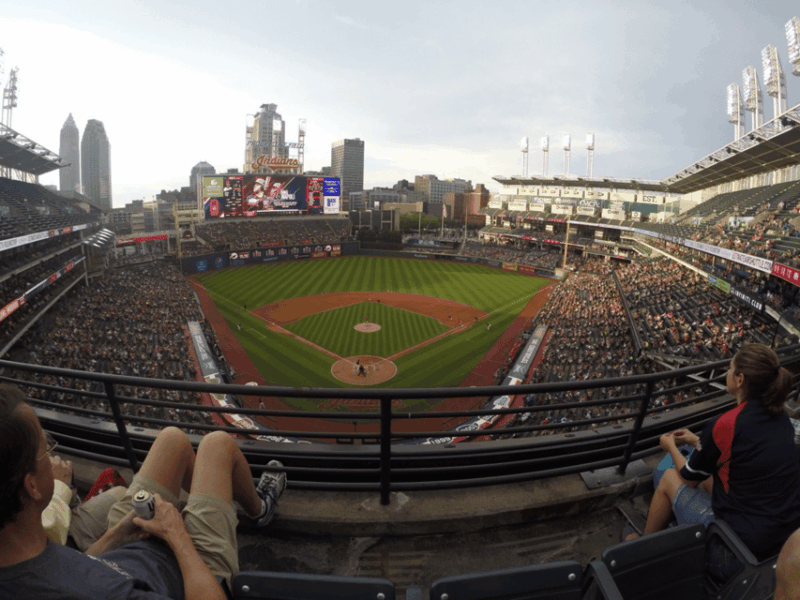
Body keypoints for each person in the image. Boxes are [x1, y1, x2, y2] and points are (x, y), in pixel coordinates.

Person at [0, 384, 287, 600]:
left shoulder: (21, 557)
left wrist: (118, 533)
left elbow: (80, 564)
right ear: (32, 487)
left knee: (172, 439)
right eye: (45, 448)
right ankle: (259, 509)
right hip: (189, 568)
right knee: (217, 444)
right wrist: (177, 534)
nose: (52, 457)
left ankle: (210, 503)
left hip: (125, 547)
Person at [630, 344, 800, 561]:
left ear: (740, 380)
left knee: (669, 477)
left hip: (736, 551)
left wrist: (670, 446)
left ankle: (639, 551)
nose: (726, 373)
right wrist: (696, 440)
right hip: (783, 541)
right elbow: (739, 452)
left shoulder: (726, 424)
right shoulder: (782, 418)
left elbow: (688, 475)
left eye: (730, 368)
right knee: (710, 478)